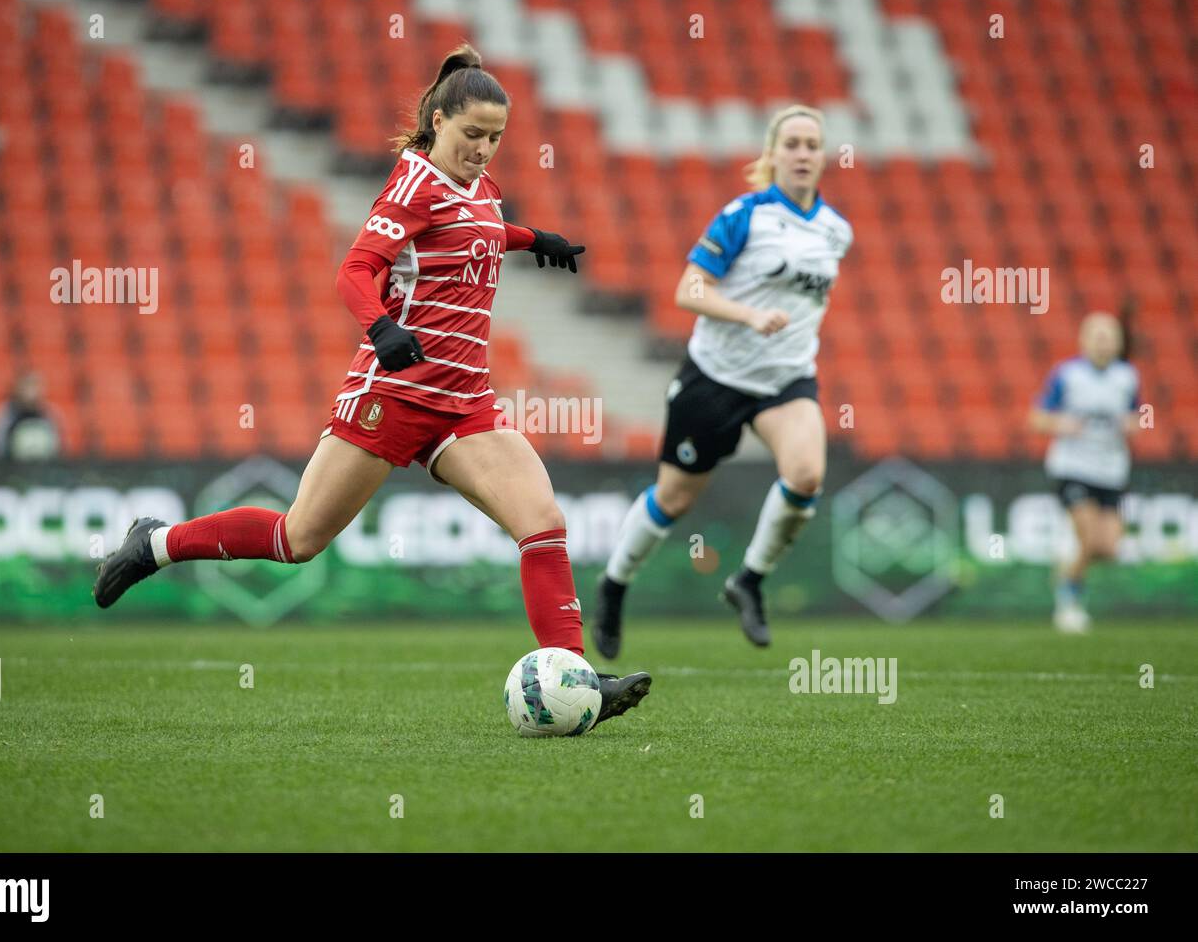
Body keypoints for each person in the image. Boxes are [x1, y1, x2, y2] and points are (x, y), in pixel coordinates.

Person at [93, 44, 651, 725]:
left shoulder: (480, 187)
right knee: (296, 539)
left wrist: (534, 239)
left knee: (542, 524)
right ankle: (154, 543)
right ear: (439, 122)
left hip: (464, 402)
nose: (483, 150)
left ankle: (580, 677)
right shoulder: (412, 183)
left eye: (495, 139)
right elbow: (355, 270)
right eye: (472, 134)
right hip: (391, 394)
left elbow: (473, 230)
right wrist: (382, 328)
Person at [592, 104, 852, 658]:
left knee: (806, 476)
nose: (803, 153)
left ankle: (749, 581)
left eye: (813, 144)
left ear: (823, 155)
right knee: (675, 498)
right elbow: (689, 291)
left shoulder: (836, 231)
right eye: (794, 143)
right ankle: (614, 584)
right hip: (716, 376)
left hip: (786, 378)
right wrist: (749, 316)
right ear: (773, 153)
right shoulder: (745, 215)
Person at [1030, 312, 1141, 633]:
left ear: (1119, 342)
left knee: (1108, 548)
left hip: (1112, 471)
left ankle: (1068, 564)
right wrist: (1060, 423)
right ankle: (1069, 602)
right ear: (1084, 340)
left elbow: (1140, 412)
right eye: (1098, 335)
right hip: (1073, 467)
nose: (1104, 341)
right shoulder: (1067, 375)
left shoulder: (1128, 377)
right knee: (1089, 537)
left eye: (1109, 335)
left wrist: (1137, 424)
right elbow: (1036, 417)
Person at [0, 371, 61, 461]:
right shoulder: (5, 415)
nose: (31, 393)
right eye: (27, 387)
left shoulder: (49, 414)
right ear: (18, 389)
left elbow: (57, 447)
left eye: (34, 387)